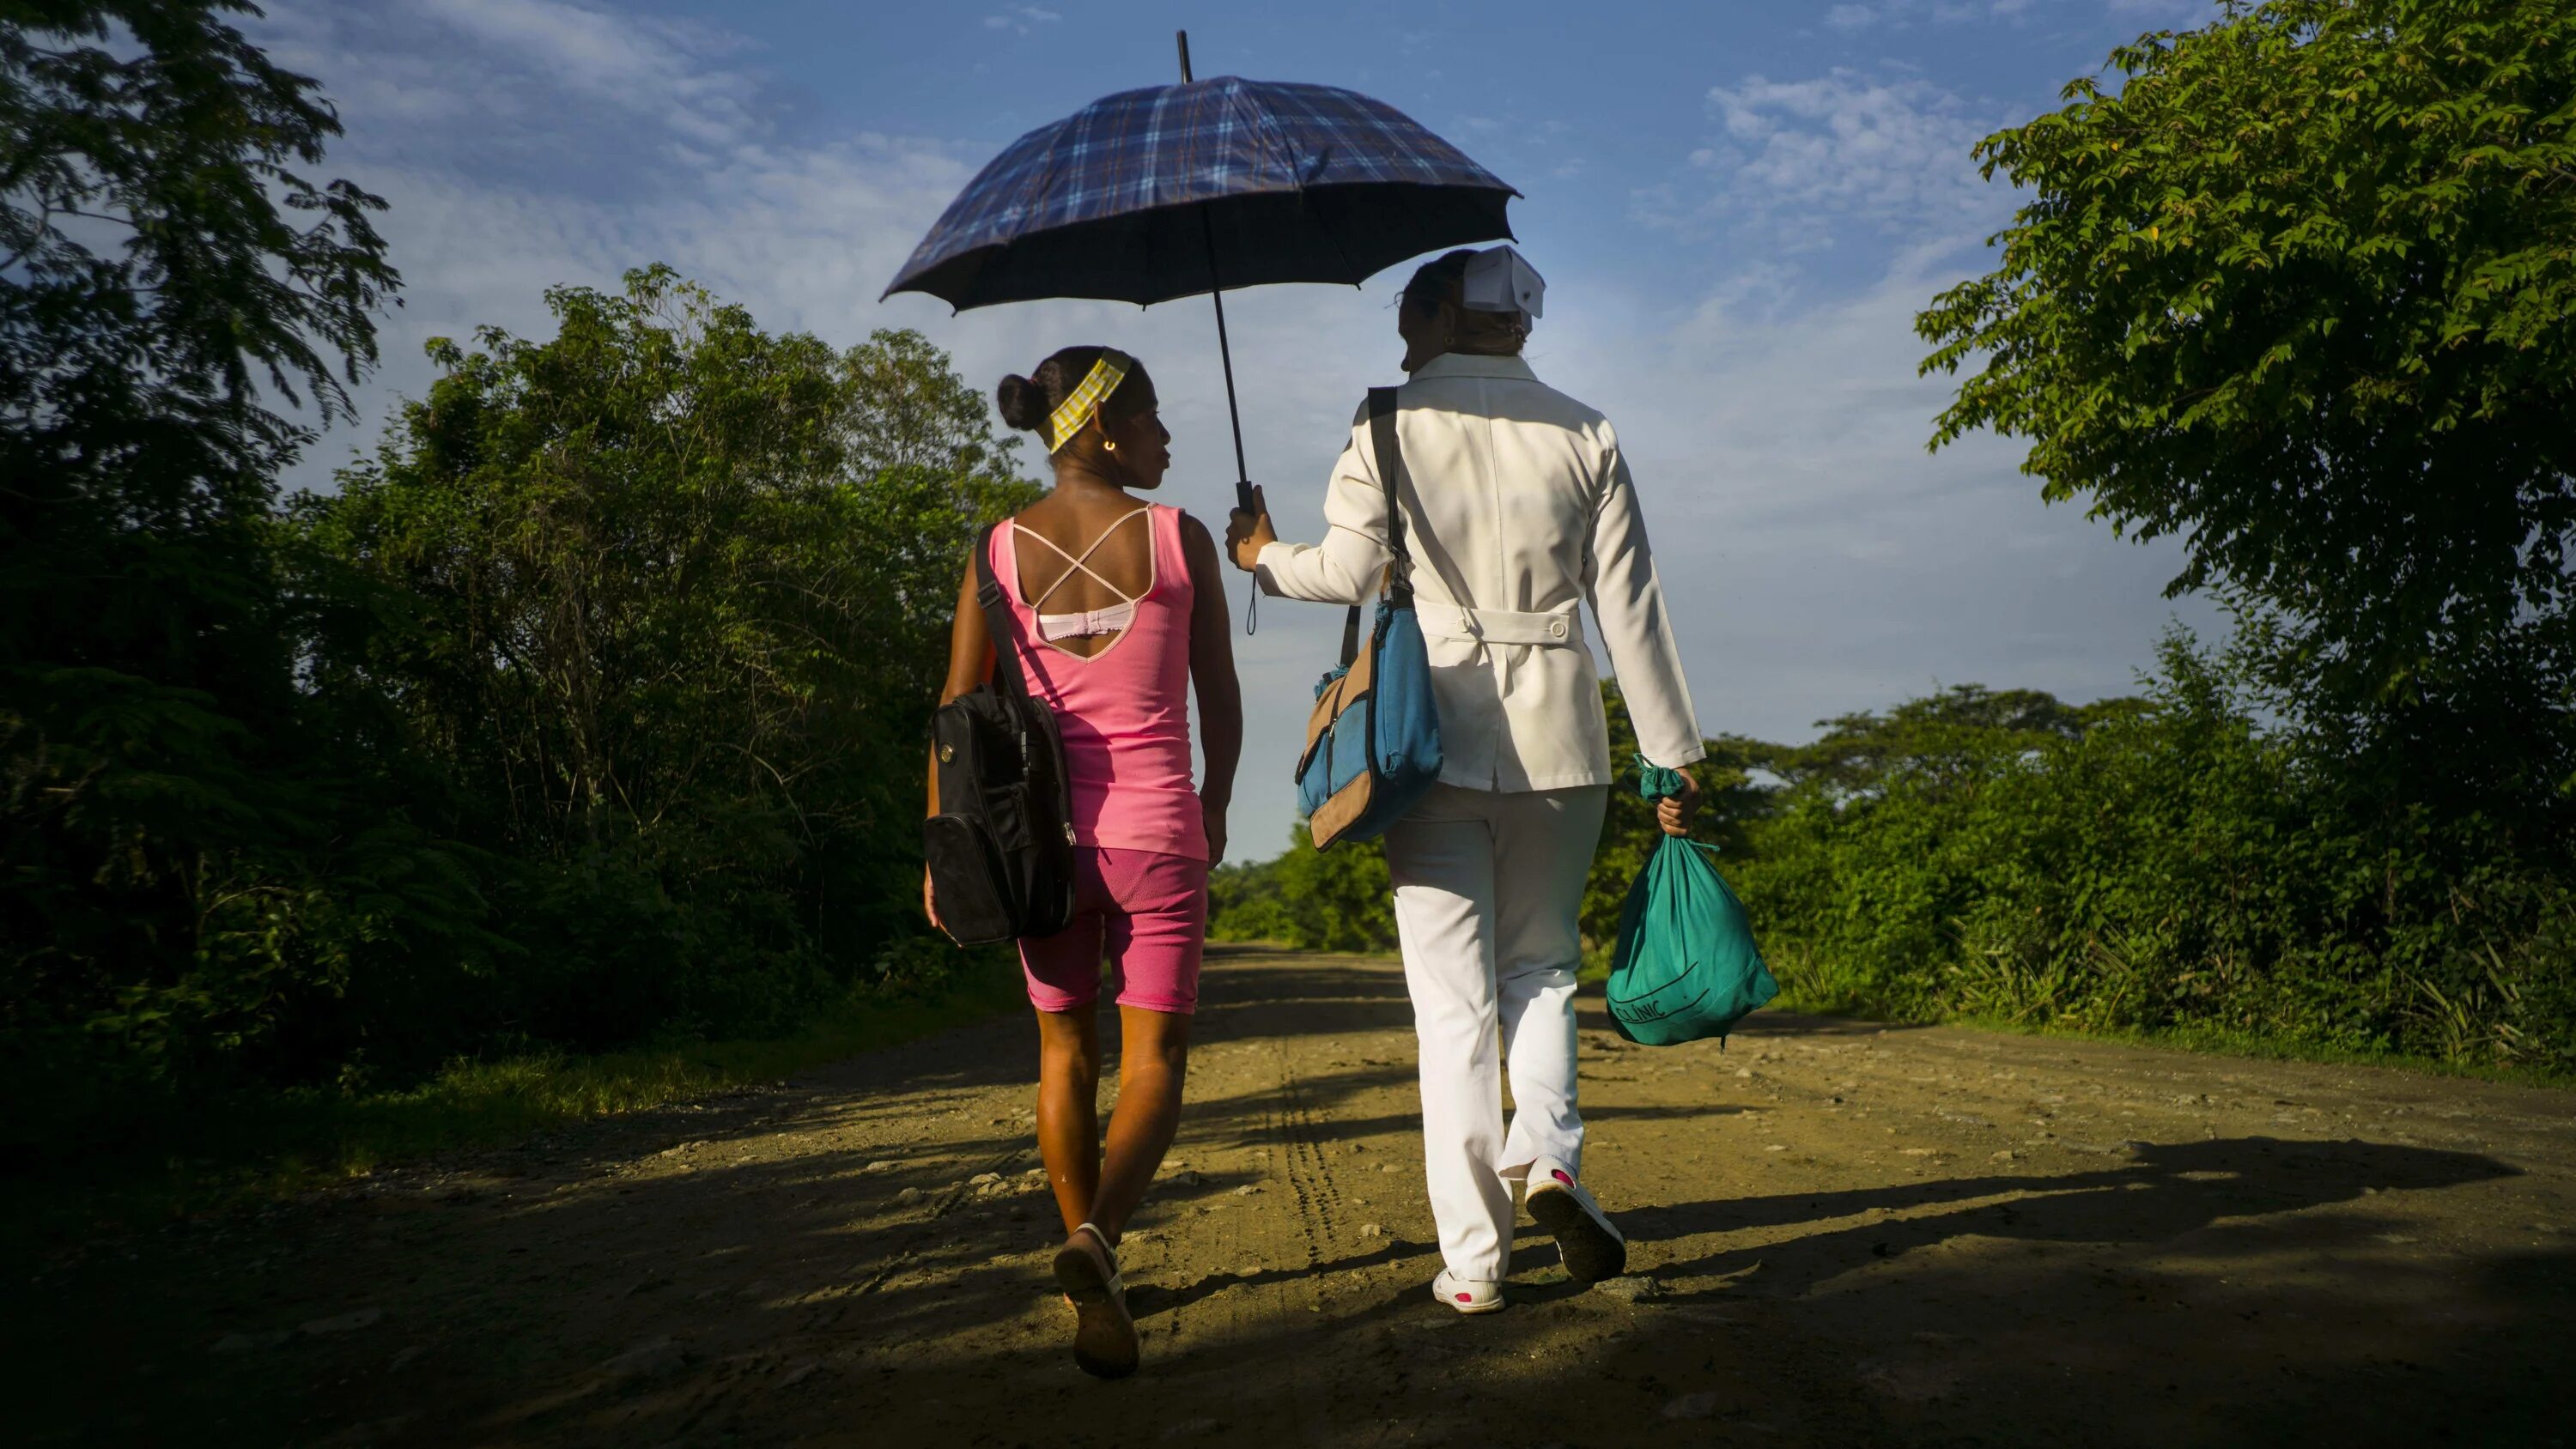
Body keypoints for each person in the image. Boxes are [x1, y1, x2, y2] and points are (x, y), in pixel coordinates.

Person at [1224, 247, 1702, 1314]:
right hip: (1562, 737)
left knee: (1453, 1007)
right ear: (1518, 323)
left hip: (1425, 733)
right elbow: (1631, 605)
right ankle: (1555, 1159)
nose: (1400, 324)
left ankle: (1477, 1265)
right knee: (1543, 967)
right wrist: (1670, 750)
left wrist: (1260, 555)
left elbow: (1347, 572)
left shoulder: (1387, 422)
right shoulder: (1586, 430)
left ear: (1445, 312)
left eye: (1408, 305)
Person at [927, 346, 1242, 1376]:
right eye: (1152, 419)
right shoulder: (1178, 537)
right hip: (1157, 834)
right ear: (1104, 427)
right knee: (1156, 1060)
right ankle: (1099, 1238)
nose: (1166, 439)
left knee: (1064, 1055)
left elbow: (956, 710)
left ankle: (1085, 1264)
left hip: (1040, 852)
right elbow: (1218, 698)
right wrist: (1214, 804)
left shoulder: (995, 550)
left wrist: (946, 851)